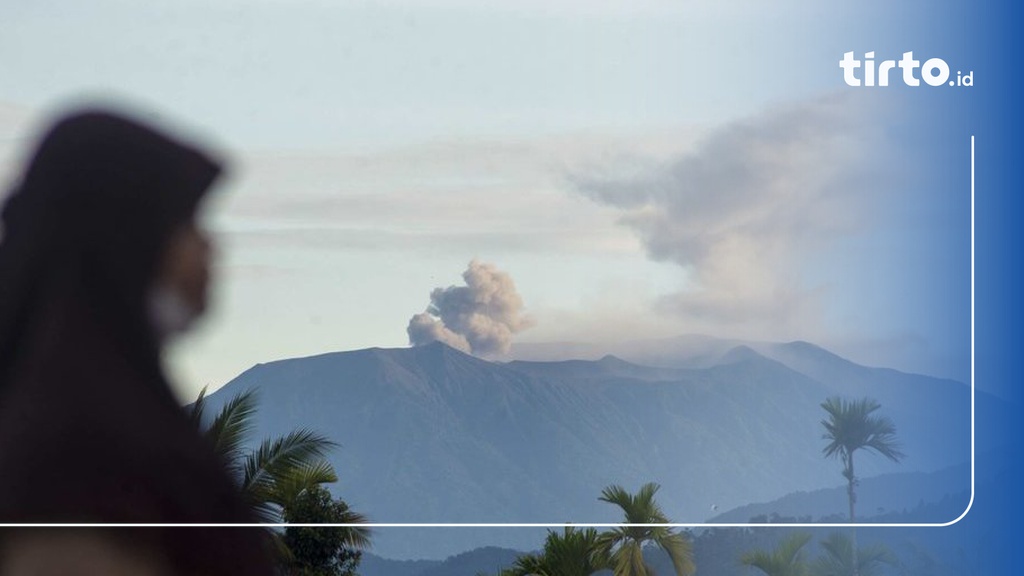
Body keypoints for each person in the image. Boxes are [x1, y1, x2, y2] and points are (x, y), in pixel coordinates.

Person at [0, 109, 275, 574]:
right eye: (188, 222)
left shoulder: (82, 415)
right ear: (129, 236)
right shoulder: (80, 452)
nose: (210, 247)